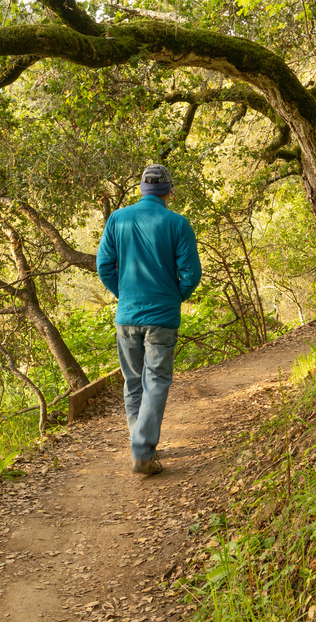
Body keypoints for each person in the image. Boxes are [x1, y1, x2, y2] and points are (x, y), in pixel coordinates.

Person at [96, 164, 202, 475]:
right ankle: (143, 449)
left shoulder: (117, 219)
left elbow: (104, 266)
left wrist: (125, 294)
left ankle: (140, 445)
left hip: (127, 316)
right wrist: (174, 297)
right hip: (162, 318)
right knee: (155, 381)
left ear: (142, 189)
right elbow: (191, 274)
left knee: (133, 383)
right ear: (168, 191)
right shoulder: (177, 223)